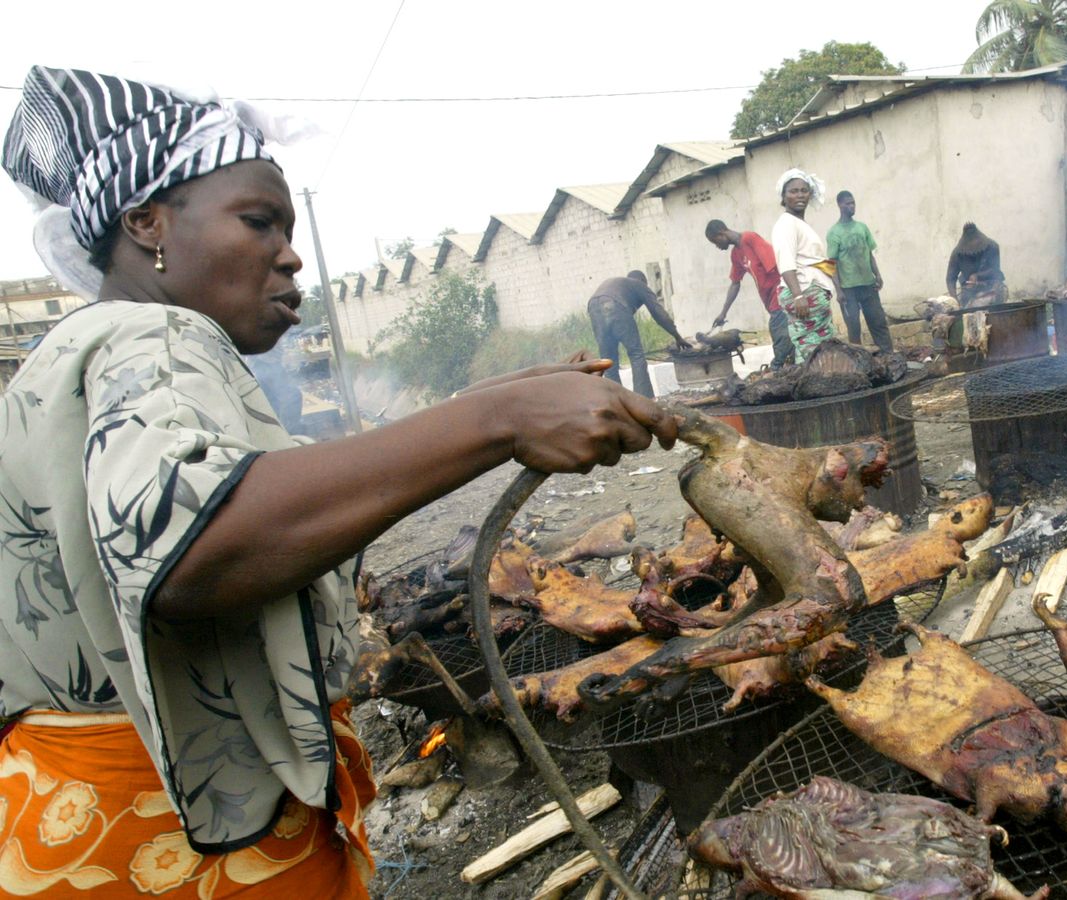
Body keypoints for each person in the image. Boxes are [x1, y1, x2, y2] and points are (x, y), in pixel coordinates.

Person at [0, 66, 677, 898]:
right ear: (147, 222)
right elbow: (193, 549)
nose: (289, 256)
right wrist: (495, 423)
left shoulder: (76, 352)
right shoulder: (158, 337)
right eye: (258, 221)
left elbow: (266, 485)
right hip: (177, 846)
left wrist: (490, 402)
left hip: (72, 823)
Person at [585, 270, 689, 398]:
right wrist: (677, 336)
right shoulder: (639, 284)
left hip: (593, 307)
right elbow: (658, 313)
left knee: (608, 361)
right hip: (616, 305)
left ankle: (616, 401)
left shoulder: (620, 284)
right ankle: (643, 399)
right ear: (643, 281)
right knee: (636, 354)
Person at [770, 169, 839, 363]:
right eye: (793, 191)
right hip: (803, 291)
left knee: (811, 348)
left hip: (811, 289)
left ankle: (811, 385)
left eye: (804, 190)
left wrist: (839, 288)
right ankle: (820, 386)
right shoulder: (786, 224)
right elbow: (786, 263)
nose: (800, 195)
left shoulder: (801, 224)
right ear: (783, 197)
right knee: (816, 351)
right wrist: (798, 295)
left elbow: (819, 260)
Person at [705, 219, 795, 367]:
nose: (717, 246)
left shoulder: (750, 238)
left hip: (779, 295)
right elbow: (735, 283)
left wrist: (786, 295)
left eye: (715, 242)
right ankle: (790, 365)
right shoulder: (736, 254)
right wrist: (723, 313)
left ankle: (778, 367)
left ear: (721, 233)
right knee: (782, 335)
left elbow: (775, 266)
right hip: (770, 302)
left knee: (779, 333)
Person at [826, 191, 892, 352]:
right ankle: (859, 364)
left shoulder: (862, 228)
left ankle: (889, 356)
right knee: (854, 329)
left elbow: (869, 254)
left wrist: (878, 275)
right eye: (848, 203)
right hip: (848, 290)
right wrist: (838, 291)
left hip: (868, 286)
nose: (852, 206)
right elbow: (831, 264)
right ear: (840, 205)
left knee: (879, 323)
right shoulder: (834, 233)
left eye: (853, 203)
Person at [945, 222, 1006, 307]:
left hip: (991, 287)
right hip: (969, 292)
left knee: (993, 307)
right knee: (969, 313)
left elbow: (995, 269)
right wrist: (954, 300)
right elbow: (950, 279)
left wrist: (977, 275)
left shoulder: (992, 246)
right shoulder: (957, 253)